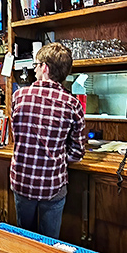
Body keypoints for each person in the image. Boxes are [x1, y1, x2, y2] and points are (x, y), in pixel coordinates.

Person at [10, 42, 86, 239]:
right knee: (50, 244)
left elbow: (16, 136)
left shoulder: (19, 96)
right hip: (53, 185)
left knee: (24, 239)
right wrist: (57, 155)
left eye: (36, 65)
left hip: (23, 181)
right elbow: (78, 153)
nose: (34, 70)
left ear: (45, 67)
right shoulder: (73, 103)